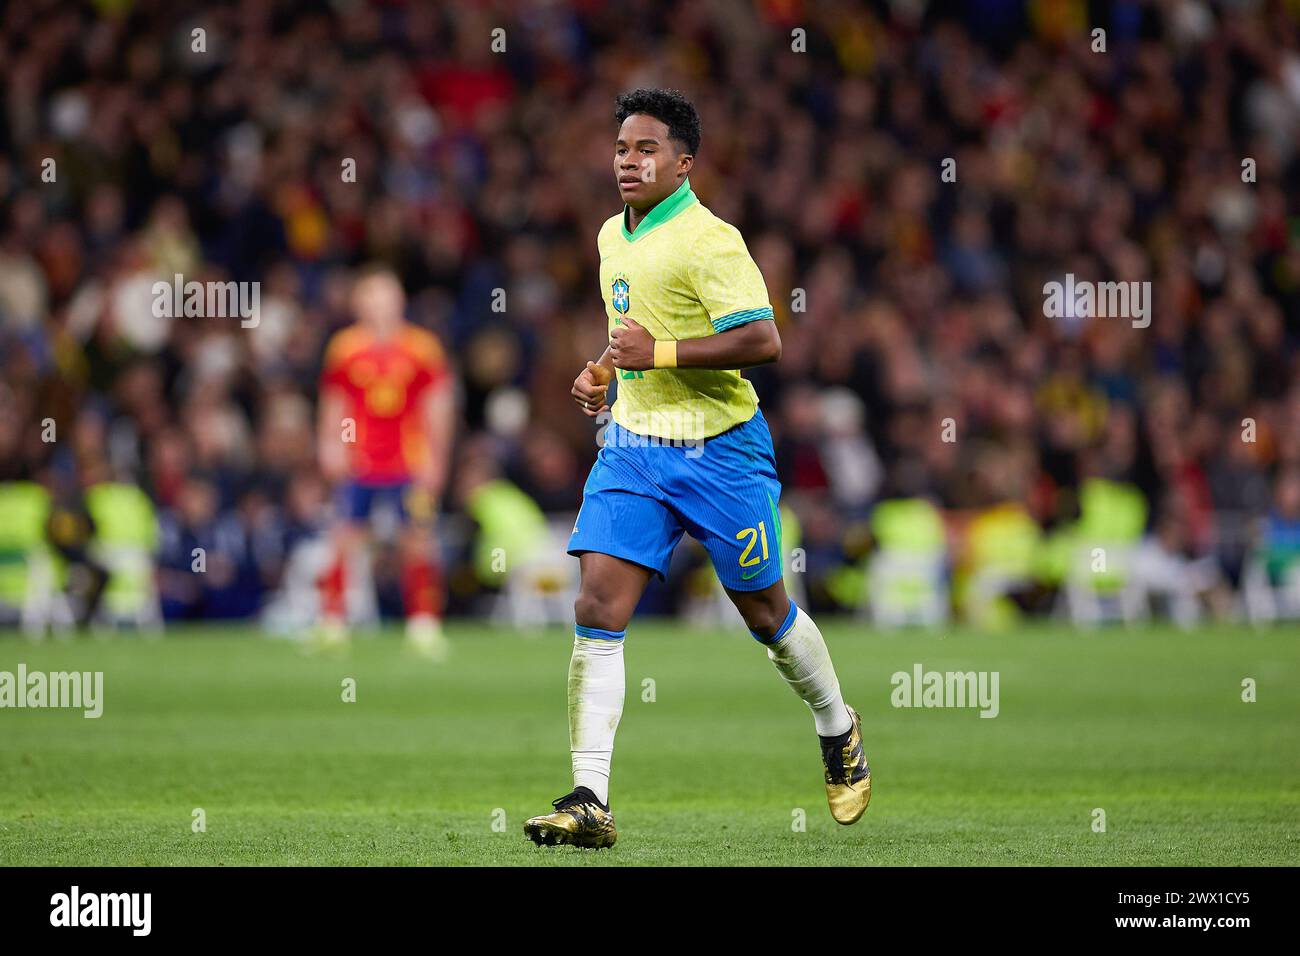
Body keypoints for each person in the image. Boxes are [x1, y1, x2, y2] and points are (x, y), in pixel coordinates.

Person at [524, 90, 869, 849]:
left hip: (722, 451)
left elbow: (764, 341)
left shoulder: (712, 240)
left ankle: (836, 724)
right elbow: (631, 333)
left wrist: (662, 356)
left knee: (765, 614)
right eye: (621, 147)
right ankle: (590, 798)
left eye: (647, 148)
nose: (628, 160)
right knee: (596, 606)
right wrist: (601, 373)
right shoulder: (611, 235)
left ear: (684, 162)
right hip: (638, 448)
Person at [316, 265, 454, 658]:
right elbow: (335, 402)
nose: (379, 304)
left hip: (409, 461)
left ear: (399, 300)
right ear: (359, 302)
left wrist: (436, 457)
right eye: (371, 295)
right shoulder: (344, 347)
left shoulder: (422, 347)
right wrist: (331, 444)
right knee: (343, 537)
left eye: (386, 295)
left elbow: (438, 406)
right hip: (359, 460)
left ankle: (423, 623)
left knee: (418, 540)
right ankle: (332, 622)